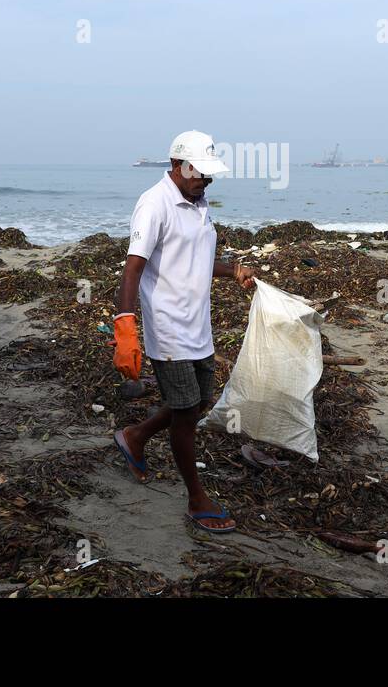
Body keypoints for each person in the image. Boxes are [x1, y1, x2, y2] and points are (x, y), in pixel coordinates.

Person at [112, 131, 255, 533]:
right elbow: (133, 268)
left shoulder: (199, 203)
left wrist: (233, 271)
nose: (207, 180)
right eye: (200, 173)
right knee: (187, 412)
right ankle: (196, 497)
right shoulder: (154, 204)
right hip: (169, 327)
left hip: (199, 325)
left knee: (196, 402)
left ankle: (135, 437)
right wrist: (126, 325)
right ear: (178, 165)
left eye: (210, 174)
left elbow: (198, 258)